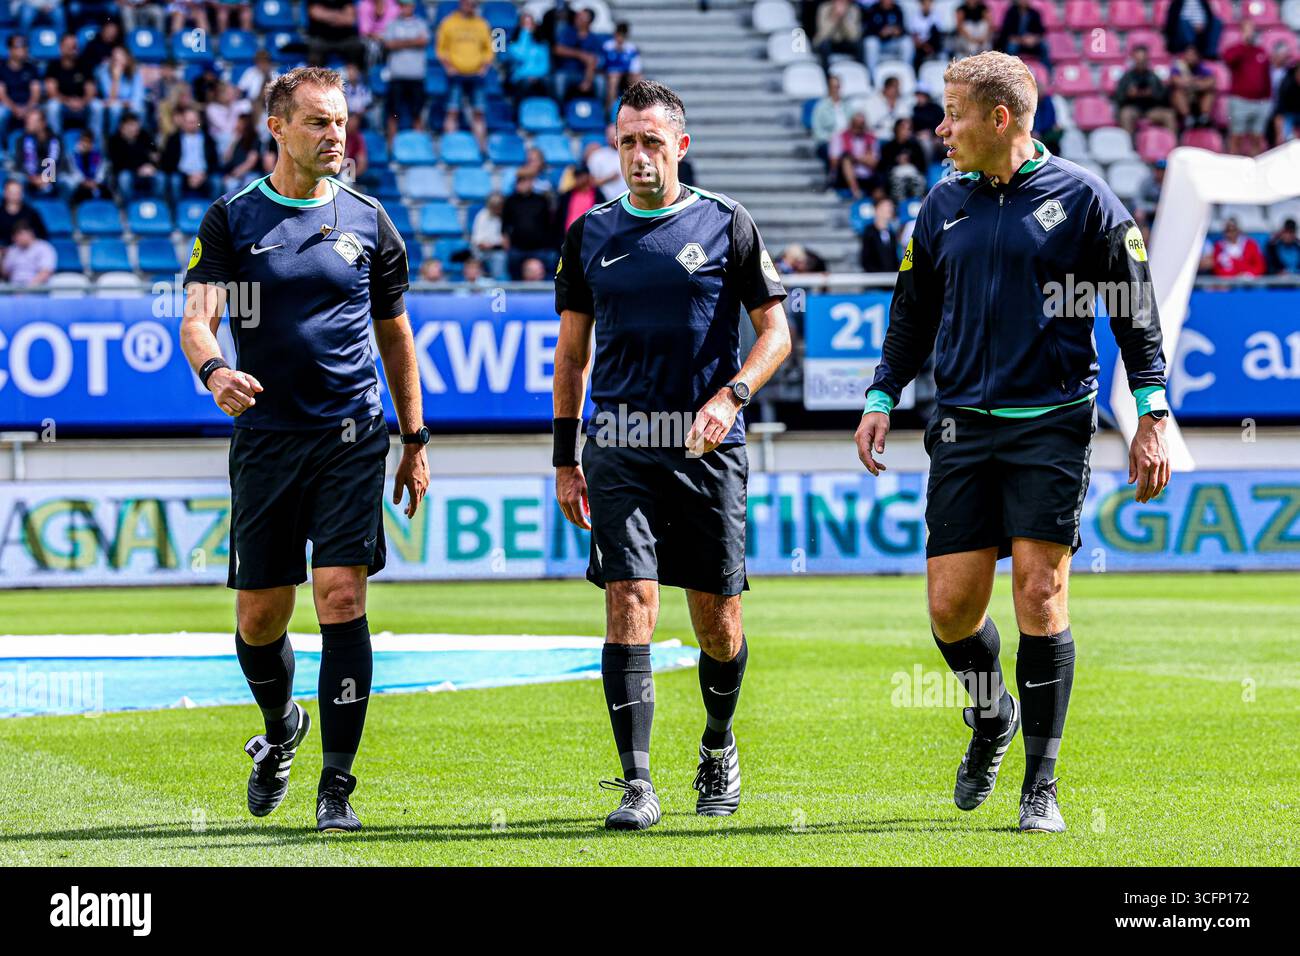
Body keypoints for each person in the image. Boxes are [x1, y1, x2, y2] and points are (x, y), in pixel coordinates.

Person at [855, 51, 1170, 835]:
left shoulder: (1087, 200)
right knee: (952, 611)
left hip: (1052, 423)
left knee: (1039, 593)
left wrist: (1153, 408)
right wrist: (880, 394)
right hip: (960, 426)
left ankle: (1041, 786)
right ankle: (993, 714)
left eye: (953, 112)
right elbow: (911, 312)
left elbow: (1134, 305)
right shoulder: (940, 206)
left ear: (1001, 118)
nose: (942, 128)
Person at [181, 66, 427, 834]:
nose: (335, 135)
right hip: (266, 441)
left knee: (341, 600)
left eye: (341, 120)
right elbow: (196, 320)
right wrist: (215, 371)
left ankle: (337, 789)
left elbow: (396, 337)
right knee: (260, 617)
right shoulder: (232, 218)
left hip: (353, 435)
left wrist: (414, 439)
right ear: (277, 127)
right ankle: (282, 726)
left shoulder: (371, 221)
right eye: (318, 122)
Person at [553, 80, 791, 831]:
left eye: (653, 141)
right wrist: (566, 457)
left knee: (717, 622)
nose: (639, 155)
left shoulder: (727, 224)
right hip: (619, 446)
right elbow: (570, 356)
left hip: (708, 447)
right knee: (630, 603)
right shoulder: (589, 233)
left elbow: (776, 334)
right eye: (627, 141)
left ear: (680, 146)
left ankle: (718, 743)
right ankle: (637, 783)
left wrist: (733, 395)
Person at [435, 0, 493, 147]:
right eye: (468, 3)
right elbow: (441, 49)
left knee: (479, 112)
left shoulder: (482, 24)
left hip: (476, 75)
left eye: (474, 4)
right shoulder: (448, 22)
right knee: (452, 111)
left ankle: (481, 149)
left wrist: (484, 67)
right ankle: (450, 147)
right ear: (461, 3)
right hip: (456, 75)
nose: (471, 6)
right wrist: (448, 66)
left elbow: (489, 49)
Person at [1222, 20, 1272, 156]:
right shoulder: (1236, 50)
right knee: (1236, 137)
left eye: (1252, 29)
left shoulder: (1261, 51)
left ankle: (1256, 169)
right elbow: (1227, 59)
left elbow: (1266, 77)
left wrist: (1268, 99)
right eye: (1247, 29)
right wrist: (1243, 44)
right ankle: (1234, 166)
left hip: (1260, 102)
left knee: (1257, 138)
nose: (1251, 33)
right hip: (1240, 100)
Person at [383, 0, 429, 140]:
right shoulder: (392, 24)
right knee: (393, 114)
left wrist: (401, 42)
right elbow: (389, 44)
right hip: (397, 77)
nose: (404, 8)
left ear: (412, 7)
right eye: (401, 5)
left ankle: (419, 148)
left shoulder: (420, 24)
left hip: (416, 77)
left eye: (406, 5)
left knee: (417, 114)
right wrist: (412, 41)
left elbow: (423, 41)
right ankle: (391, 151)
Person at [1114, 45, 1177, 135]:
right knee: (1125, 114)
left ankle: (1173, 146)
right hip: (1133, 108)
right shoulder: (1127, 77)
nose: (1141, 63)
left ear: (1147, 60)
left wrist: (1152, 93)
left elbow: (1165, 98)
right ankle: (1128, 147)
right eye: (1138, 60)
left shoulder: (1153, 76)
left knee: (1169, 115)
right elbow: (1118, 98)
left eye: (1143, 60)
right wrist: (1128, 94)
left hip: (1151, 109)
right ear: (1134, 59)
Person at [502, 169, 554, 277]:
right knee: (511, 266)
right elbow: (505, 223)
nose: (526, 184)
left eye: (528, 181)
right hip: (517, 247)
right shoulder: (510, 201)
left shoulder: (541, 200)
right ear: (517, 183)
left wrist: (547, 243)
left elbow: (548, 223)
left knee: (552, 260)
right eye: (522, 181)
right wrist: (505, 239)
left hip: (539, 247)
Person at [160, 104, 220, 198]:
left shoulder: (209, 139)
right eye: (189, 122)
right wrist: (187, 175)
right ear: (183, 122)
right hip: (181, 174)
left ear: (199, 122)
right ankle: (174, 212)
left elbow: (215, 161)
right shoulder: (173, 139)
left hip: (204, 174)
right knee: (174, 181)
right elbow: (166, 163)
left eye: (194, 122)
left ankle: (214, 211)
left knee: (216, 182)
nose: (192, 125)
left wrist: (203, 175)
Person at [108, 110, 160, 198]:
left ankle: (157, 204)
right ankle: (128, 207)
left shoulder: (145, 136)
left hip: (146, 169)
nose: (136, 128)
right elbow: (118, 163)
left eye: (137, 124)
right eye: (132, 125)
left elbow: (154, 152)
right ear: (122, 126)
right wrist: (138, 168)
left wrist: (152, 165)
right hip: (126, 171)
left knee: (160, 177)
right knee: (124, 178)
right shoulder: (114, 141)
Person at [0, 35, 43, 139]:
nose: (23, 49)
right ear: (10, 49)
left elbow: (36, 93)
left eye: (25, 46)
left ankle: (38, 148)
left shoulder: (31, 68)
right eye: (19, 46)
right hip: (9, 106)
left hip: (29, 105)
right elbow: (1, 94)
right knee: (1, 113)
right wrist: (15, 108)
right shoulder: (1, 68)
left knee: (37, 115)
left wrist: (27, 108)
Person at [831, 110, 881, 200]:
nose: (858, 127)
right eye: (856, 124)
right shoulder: (839, 137)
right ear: (851, 123)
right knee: (846, 160)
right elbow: (834, 161)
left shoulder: (871, 138)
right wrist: (861, 159)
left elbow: (874, 162)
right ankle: (856, 192)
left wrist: (855, 159)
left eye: (861, 124)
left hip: (867, 175)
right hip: (845, 177)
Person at [505, 12, 551, 103]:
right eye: (525, 24)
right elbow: (521, 56)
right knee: (524, 84)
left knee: (551, 83)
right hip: (521, 77)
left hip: (540, 76)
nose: (528, 27)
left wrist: (536, 76)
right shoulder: (513, 45)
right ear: (520, 26)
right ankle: (518, 112)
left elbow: (545, 65)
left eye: (530, 23)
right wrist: (525, 34)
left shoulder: (542, 44)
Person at [306, 0, 367, 68]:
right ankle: (316, 76)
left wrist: (326, 15)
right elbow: (315, 13)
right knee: (315, 47)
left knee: (357, 46)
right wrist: (340, 15)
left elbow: (350, 19)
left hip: (344, 38)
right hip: (322, 38)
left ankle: (353, 76)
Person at [14, 110, 60, 197]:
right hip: (29, 177)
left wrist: (48, 178)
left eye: (32, 121)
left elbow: (59, 163)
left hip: (51, 177)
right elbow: (19, 164)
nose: (27, 124)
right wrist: (33, 178)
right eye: (27, 121)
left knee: (66, 182)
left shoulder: (56, 140)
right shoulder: (21, 140)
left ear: (43, 123)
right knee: (18, 180)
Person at [863, 0, 912, 82]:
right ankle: (872, 78)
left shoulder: (897, 9)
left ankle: (907, 73)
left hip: (893, 42)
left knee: (907, 43)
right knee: (870, 43)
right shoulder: (873, 9)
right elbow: (867, 31)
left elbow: (904, 29)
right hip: (879, 43)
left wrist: (898, 31)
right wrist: (880, 32)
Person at [811, 74, 852, 172]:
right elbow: (817, 131)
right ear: (828, 88)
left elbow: (853, 124)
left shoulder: (848, 106)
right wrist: (833, 139)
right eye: (833, 87)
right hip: (829, 141)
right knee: (833, 151)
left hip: (847, 140)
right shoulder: (820, 107)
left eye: (837, 87)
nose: (835, 90)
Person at [1169, 46, 1217, 128]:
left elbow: (1211, 81)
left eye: (1193, 55)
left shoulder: (1200, 67)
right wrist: (1190, 82)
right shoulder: (1179, 66)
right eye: (1188, 55)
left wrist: (1197, 84)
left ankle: (1204, 117)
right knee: (1177, 92)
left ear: (1197, 57)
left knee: (1210, 92)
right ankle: (1188, 118)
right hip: (1184, 98)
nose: (1190, 57)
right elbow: (1175, 80)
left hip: (1196, 96)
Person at [1201, 217, 1266, 276]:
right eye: (1227, 231)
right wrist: (1235, 275)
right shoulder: (1219, 246)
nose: (1230, 234)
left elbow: (1259, 266)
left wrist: (1247, 273)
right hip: (1228, 283)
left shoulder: (1251, 244)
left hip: (1250, 281)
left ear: (1238, 230)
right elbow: (1218, 269)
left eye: (1233, 230)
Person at [601, 23, 643, 113]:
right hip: (610, 74)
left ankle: (638, 107)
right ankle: (610, 111)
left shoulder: (631, 49)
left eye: (622, 35)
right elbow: (602, 64)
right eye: (618, 34)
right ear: (615, 34)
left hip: (625, 74)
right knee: (614, 79)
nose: (620, 38)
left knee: (638, 79)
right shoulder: (607, 46)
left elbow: (635, 67)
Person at [814, 0, 864, 73]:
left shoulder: (853, 9)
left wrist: (844, 18)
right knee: (824, 45)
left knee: (860, 45)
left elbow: (854, 36)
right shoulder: (824, 8)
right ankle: (827, 76)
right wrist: (834, 17)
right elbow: (822, 35)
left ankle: (859, 72)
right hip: (829, 42)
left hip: (846, 42)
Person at [995, 0, 1048, 68]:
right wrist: (1021, 40)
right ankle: (1011, 70)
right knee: (1012, 47)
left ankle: (1047, 72)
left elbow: (1040, 31)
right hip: (1017, 41)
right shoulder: (1010, 12)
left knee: (1044, 46)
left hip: (1031, 43)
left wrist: (1034, 38)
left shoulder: (1035, 13)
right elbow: (1006, 32)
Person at [2, 220, 55, 287]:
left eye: (22, 234)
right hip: (14, 289)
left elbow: (46, 272)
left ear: (31, 233)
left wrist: (26, 289)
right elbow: (6, 275)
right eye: (17, 235)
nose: (19, 237)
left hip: (37, 289)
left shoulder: (44, 247)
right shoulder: (12, 250)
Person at [470, 192, 508, 279]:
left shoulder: (507, 216)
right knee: (498, 258)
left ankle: (500, 285)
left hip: (499, 250)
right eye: (494, 206)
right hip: (481, 251)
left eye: (499, 205)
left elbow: (506, 242)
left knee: (501, 257)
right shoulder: (482, 216)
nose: (497, 208)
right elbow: (478, 241)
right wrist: (492, 244)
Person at [0, 180, 48, 246]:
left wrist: (30, 239)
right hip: (6, 250)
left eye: (17, 192)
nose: (14, 195)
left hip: (28, 249)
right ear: (5, 193)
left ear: (22, 194)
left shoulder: (31, 213)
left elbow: (42, 234)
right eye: (11, 192)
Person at [586, 124, 624, 202]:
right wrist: (608, 178)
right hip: (604, 201)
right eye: (611, 136)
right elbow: (590, 183)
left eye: (616, 136)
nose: (613, 140)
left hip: (628, 201)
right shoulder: (598, 156)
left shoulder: (631, 154)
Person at [859, 196, 899, 271]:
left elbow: (894, 258)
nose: (889, 209)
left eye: (890, 206)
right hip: (875, 278)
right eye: (886, 206)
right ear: (877, 209)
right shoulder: (869, 232)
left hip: (890, 278)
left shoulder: (891, 233)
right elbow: (866, 259)